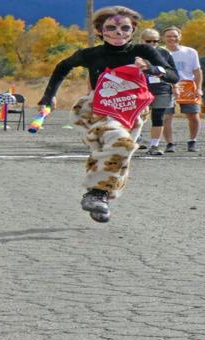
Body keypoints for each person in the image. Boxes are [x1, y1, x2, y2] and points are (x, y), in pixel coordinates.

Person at [37, 6, 178, 222]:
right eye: (111, 27)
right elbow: (62, 67)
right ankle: (97, 193)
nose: (118, 32)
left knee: (116, 153)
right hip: (99, 109)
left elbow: (172, 76)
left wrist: (151, 68)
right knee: (121, 144)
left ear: (133, 30)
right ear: (100, 31)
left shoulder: (144, 51)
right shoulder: (91, 54)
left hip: (133, 110)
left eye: (125, 28)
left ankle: (100, 198)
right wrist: (49, 97)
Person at [161, 26, 203, 152]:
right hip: (166, 85)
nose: (172, 38)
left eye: (175, 36)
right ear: (164, 38)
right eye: (168, 36)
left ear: (180, 37)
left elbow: (197, 71)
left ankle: (192, 141)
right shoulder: (160, 52)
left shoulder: (190, 52)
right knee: (167, 116)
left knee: (193, 115)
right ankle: (170, 143)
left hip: (187, 85)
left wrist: (199, 88)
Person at [137, 29, 178, 156]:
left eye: (155, 41)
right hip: (139, 90)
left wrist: (175, 86)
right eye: (148, 41)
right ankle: (135, 139)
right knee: (136, 118)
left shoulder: (164, 53)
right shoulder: (134, 54)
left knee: (158, 117)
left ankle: (154, 145)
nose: (152, 44)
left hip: (161, 90)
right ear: (141, 41)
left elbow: (173, 73)